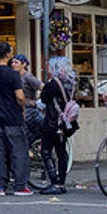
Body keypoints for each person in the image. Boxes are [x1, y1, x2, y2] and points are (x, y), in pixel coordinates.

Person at [0, 42, 32, 195]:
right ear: (7, 55)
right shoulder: (12, 74)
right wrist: (24, 106)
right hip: (12, 117)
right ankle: (20, 186)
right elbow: (19, 96)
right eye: (11, 52)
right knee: (19, 151)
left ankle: (0, 186)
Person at [38, 55, 78, 194]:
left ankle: (54, 181)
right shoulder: (71, 83)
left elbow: (43, 99)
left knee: (46, 151)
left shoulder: (53, 83)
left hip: (52, 121)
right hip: (65, 122)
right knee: (61, 151)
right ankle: (61, 182)